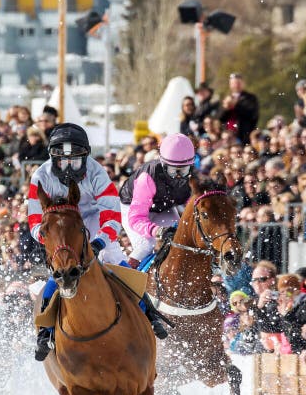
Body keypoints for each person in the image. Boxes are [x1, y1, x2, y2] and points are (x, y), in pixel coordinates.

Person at [27, 123, 168, 361]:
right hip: (59, 224)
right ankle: (45, 331)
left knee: (116, 261)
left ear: (85, 158)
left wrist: (100, 243)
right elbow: (33, 220)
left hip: (92, 218)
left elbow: (111, 215)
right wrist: (51, 240)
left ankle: (148, 314)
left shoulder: (97, 172)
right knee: (59, 270)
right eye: (63, 161)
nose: (69, 167)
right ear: (53, 159)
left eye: (75, 161)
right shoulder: (40, 176)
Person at [119, 133, 195, 268]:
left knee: (180, 238)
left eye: (183, 170)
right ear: (163, 164)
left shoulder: (192, 177)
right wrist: (157, 231)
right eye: (173, 171)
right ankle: (128, 273)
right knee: (146, 245)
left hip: (163, 207)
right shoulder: (147, 177)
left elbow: (192, 207)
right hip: (132, 209)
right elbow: (136, 218)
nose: (178, 177)